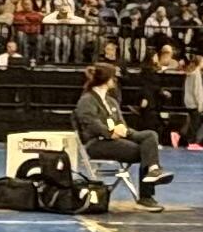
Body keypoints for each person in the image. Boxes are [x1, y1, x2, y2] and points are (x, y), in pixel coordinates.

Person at [72, 61, 170, 206]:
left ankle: (153, 170)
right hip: (97, 143)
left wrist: (125, 131)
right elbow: (90, 123)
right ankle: (146, 195)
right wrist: (109, 132)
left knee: (150, 135)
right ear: (105, 79)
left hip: (115, 138)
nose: (115, 80)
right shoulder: (87, 100)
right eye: (113, 77)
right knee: (145, 152)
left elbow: (121, 124)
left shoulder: (111, 101)